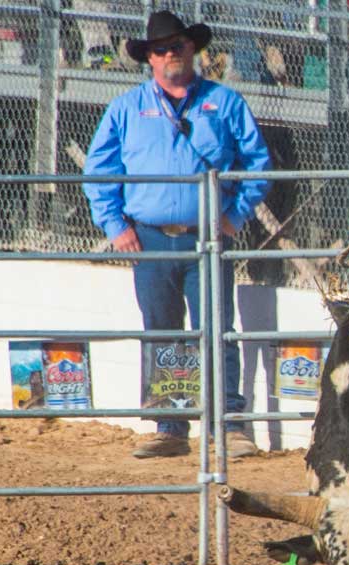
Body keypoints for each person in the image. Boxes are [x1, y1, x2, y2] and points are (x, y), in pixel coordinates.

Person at [83, 10, 272, 459]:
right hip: (148, 237)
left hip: (207, 237)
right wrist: (115, 226)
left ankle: (228, 425)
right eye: (162, 49)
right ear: (149, 57)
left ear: (193, 50)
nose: (171, 54)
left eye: (178, 46)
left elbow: (258, 165)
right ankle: (171, 427)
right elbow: (98, 171)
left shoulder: (225, 103)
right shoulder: (126, 108)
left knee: (217, 330)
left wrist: (234, 215)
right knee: (162, 332)